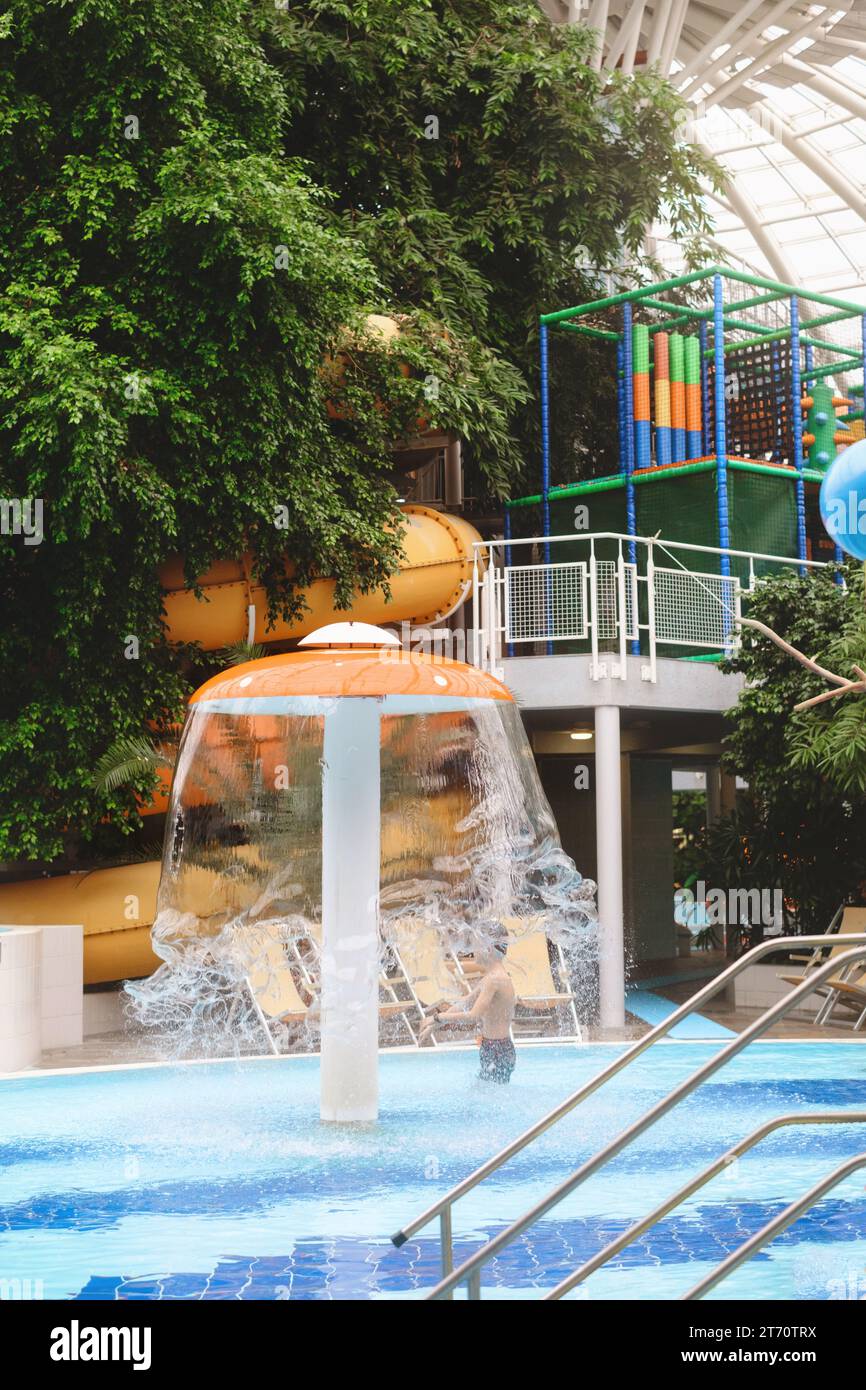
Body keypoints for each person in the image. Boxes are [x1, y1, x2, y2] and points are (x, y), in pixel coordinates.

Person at [419, 926, 517, 1083]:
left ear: (488, 949)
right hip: (494, 1048)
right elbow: (465, 1002)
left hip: (497, 1050)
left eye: (476, 945)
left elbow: (473, 1016)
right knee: (487, 1093)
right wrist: (434, 1024)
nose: (473, 950)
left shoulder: (495, 979)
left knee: (489, 1097)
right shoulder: (490, 977)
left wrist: (438, 1018)